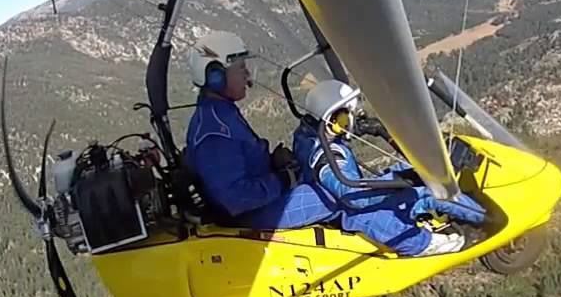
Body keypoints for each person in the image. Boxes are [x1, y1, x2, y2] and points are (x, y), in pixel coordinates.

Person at [183, 31, 472, 255]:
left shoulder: (220, 113)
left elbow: (238, 168)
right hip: (252, 215)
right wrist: (284, 178)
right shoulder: (215, 134)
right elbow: (235, 198)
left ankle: (416, 204)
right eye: (241, 68)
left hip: (261, 200)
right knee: (341, 198)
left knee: (338, 189)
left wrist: (273, 164)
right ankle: (420, 244)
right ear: (216, 76)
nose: (247, 75)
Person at [292, 79, 487, 256]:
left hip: (346, 204)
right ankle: (485, 220)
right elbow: (350, 193)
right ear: (335, 120)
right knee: (426, 190)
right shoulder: (326, 155)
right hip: (355, 210)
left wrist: (376, 129)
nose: (351, 120)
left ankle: (470, 205)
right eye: (347, 116)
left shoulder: (306, 136)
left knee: (411, 169)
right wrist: (412, 179)